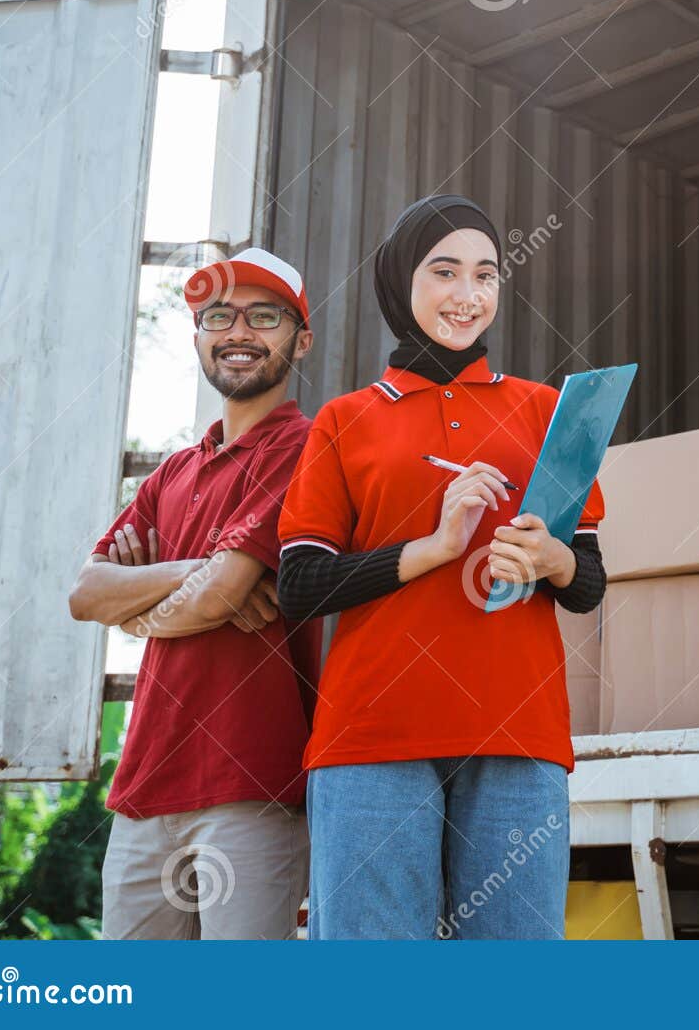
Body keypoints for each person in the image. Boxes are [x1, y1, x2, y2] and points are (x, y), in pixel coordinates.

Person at [276, 194, 607, 940]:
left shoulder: (547, 410)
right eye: (445, 271)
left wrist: (554, 559)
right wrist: (432, 548)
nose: (467, 295)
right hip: (372, 737)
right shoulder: (345, 419)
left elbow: (587, 584)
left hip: (517, 734)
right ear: (401, 282)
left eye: (486, 275)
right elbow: (298, 586)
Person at [67, 248, 321, 939]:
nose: (238, 332)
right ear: (199, 338)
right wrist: (195, 570)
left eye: (263, 316)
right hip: (146, 786)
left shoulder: (304, 448)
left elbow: (223, 594)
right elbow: (87, 595)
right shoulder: (173, 472)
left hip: (252, 785)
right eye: (219, 316)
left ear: (301, 338)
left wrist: (147, 601)